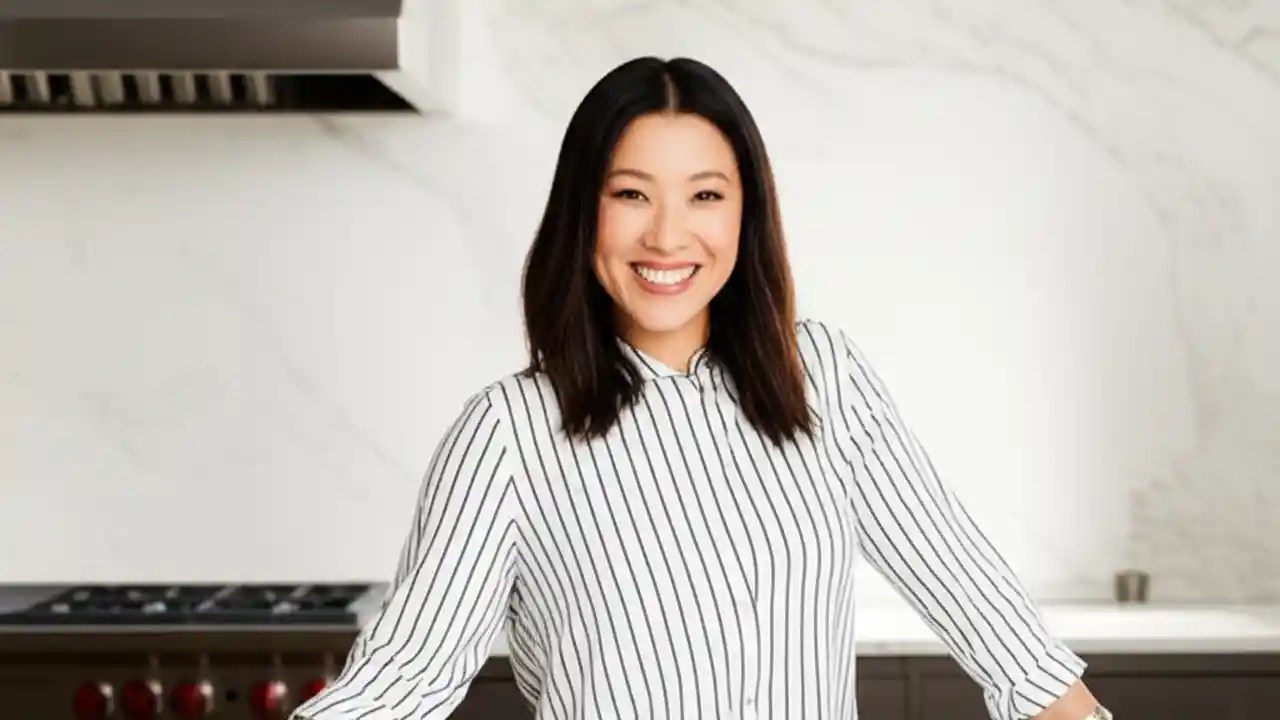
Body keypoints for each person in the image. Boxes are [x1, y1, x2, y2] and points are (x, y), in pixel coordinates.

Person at [291, 56, 1111, 720]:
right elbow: (402, 682)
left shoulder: (822, 378)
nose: (667, 235)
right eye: (631, 194)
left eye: (705, 196)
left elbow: (975, 597)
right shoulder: (507, 433)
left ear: (745, 214)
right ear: (585, 212)